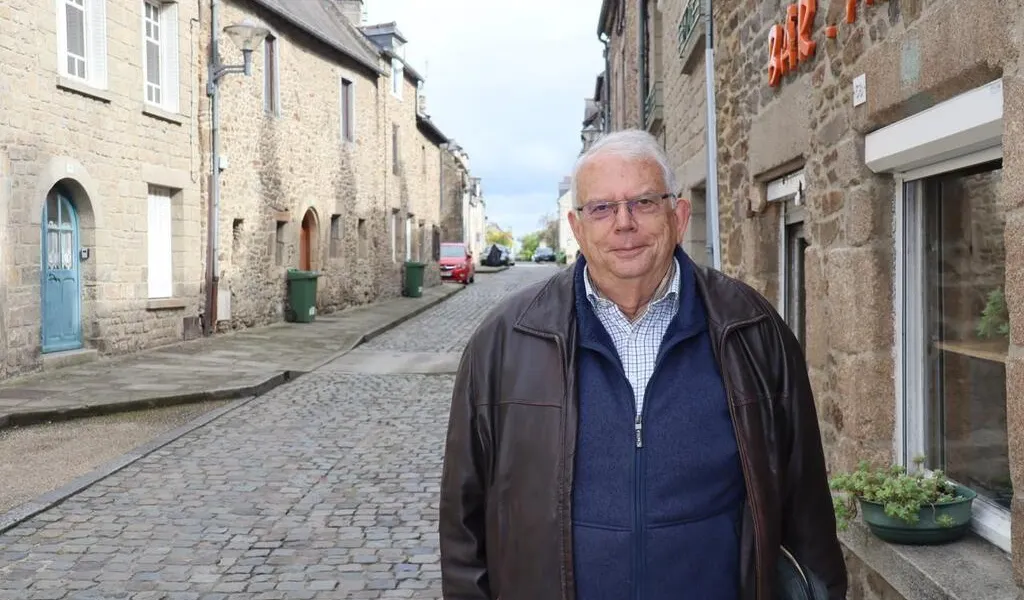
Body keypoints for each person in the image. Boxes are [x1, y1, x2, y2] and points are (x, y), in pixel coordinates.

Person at [439, 129, 847, 600]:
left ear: (679, 215)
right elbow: (462, 526)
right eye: (602, 208)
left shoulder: (753, 331)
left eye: (644, 203)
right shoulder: (505, 342)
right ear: (577, 227)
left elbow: (807, 509)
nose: (624, 223)